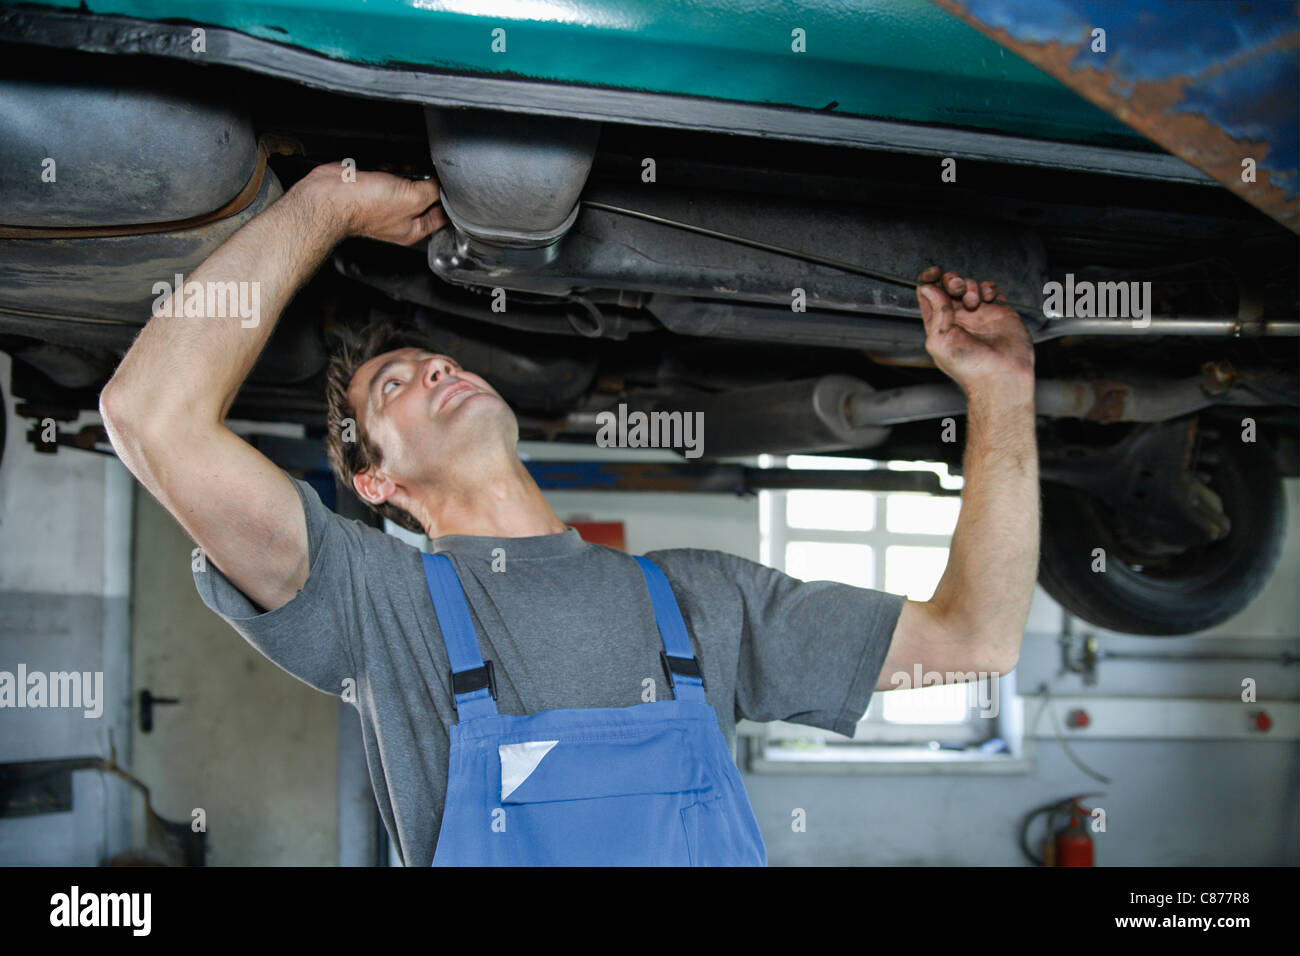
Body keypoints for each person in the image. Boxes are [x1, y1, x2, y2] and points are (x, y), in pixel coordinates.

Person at [100, 161, 1039, 866]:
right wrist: (322, 204)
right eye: (393, 385)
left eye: (441, 361)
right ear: (375, 483)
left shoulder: (700, 600)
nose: (437, 367)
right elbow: (151, 417)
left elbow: (975, 642)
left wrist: (1001, 393)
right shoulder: (376, 603)